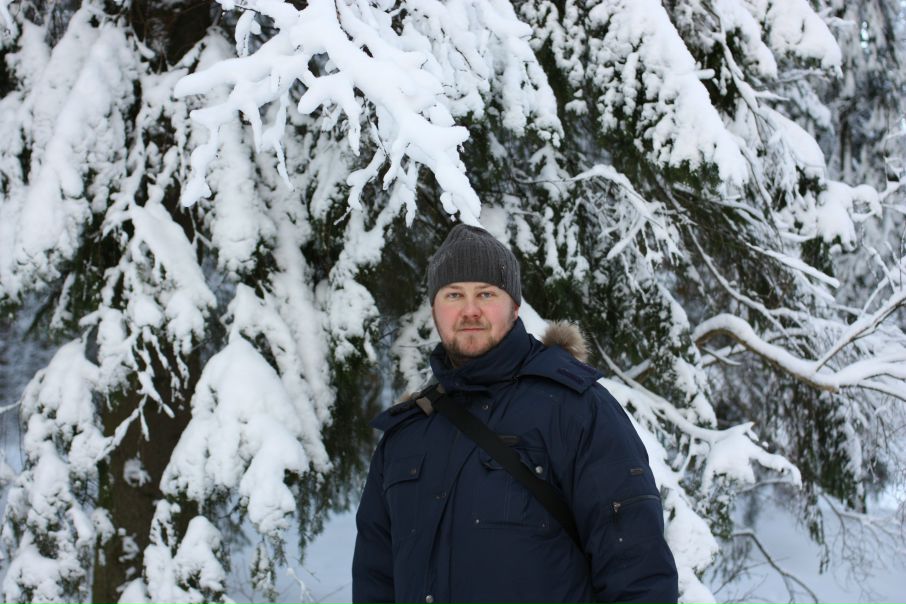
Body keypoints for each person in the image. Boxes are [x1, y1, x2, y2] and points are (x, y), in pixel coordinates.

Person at [352, 224, 678, 604]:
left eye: (486, 293)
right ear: (434, 309)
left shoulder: (576, 409)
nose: (470, 310)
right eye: (454, 294)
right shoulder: (407, 433)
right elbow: (375, 581)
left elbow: (638, 575)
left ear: (515, 306)